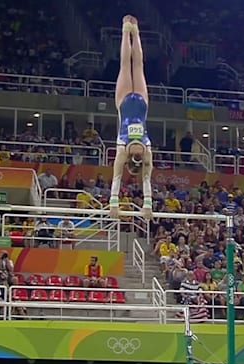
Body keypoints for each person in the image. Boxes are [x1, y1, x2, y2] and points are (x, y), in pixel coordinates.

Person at [109, 14, 153, 220]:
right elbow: (143, 180)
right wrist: (146, 204)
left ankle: (130, 31)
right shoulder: (137, 153)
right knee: (133, 66)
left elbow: (120, 178)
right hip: (133, 104)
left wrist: (114, 203)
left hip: (132, 104)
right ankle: (131, 31)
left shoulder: (125, 150)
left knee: (130, 66)